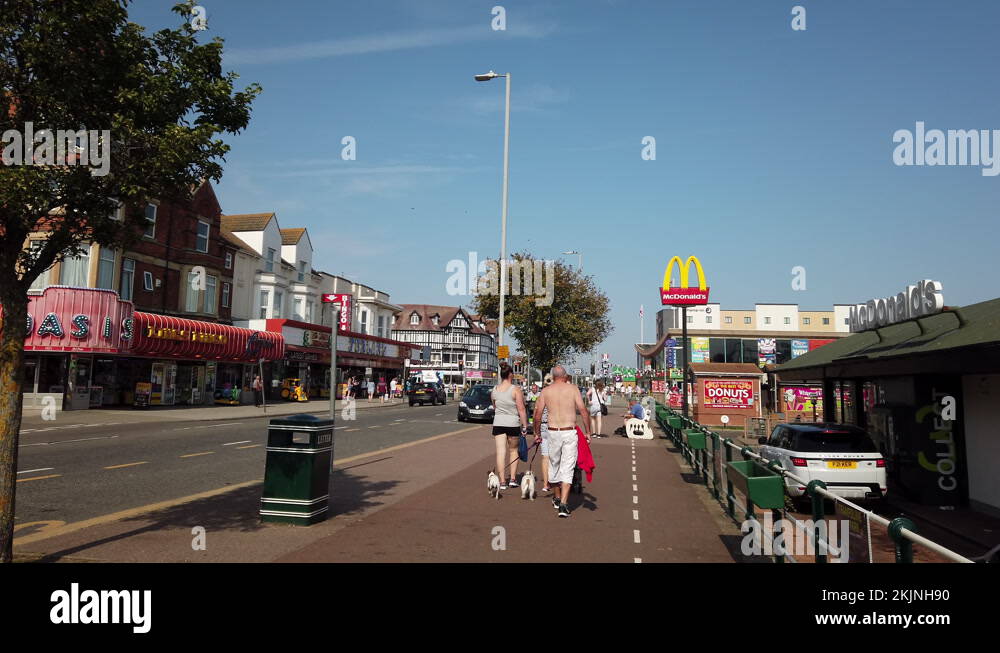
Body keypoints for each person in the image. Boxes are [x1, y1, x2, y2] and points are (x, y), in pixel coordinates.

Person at [533, 365, 591, 518]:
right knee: (568, 466)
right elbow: (583, 410)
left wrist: (536, 433)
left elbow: (538, 414)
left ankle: (557, 498)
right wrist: (588, 432)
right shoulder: (572, 389)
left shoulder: (546, 391)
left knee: (554, 465)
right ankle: (564, 504)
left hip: (552, 432)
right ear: (565, 376)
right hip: (569, 431)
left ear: (553, 376)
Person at [491, 362, 529, 488]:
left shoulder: (494, 390)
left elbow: (495, 406)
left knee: (500, 452)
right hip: (512, 423)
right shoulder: (515, 390)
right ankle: (513, 479)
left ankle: (502, 481)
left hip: (498, 423)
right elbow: (521, 409)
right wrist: (524, 425)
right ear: (511, 374)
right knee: (513, 451)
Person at [538, 373, 554, 493]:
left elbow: (536, 414)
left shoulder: (541, 395)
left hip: (543, 427)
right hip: (554, 427)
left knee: (545, 456)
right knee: (555, 456)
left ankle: (545, 483)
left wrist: (535, 432)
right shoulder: (557, 395)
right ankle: (554, 481)